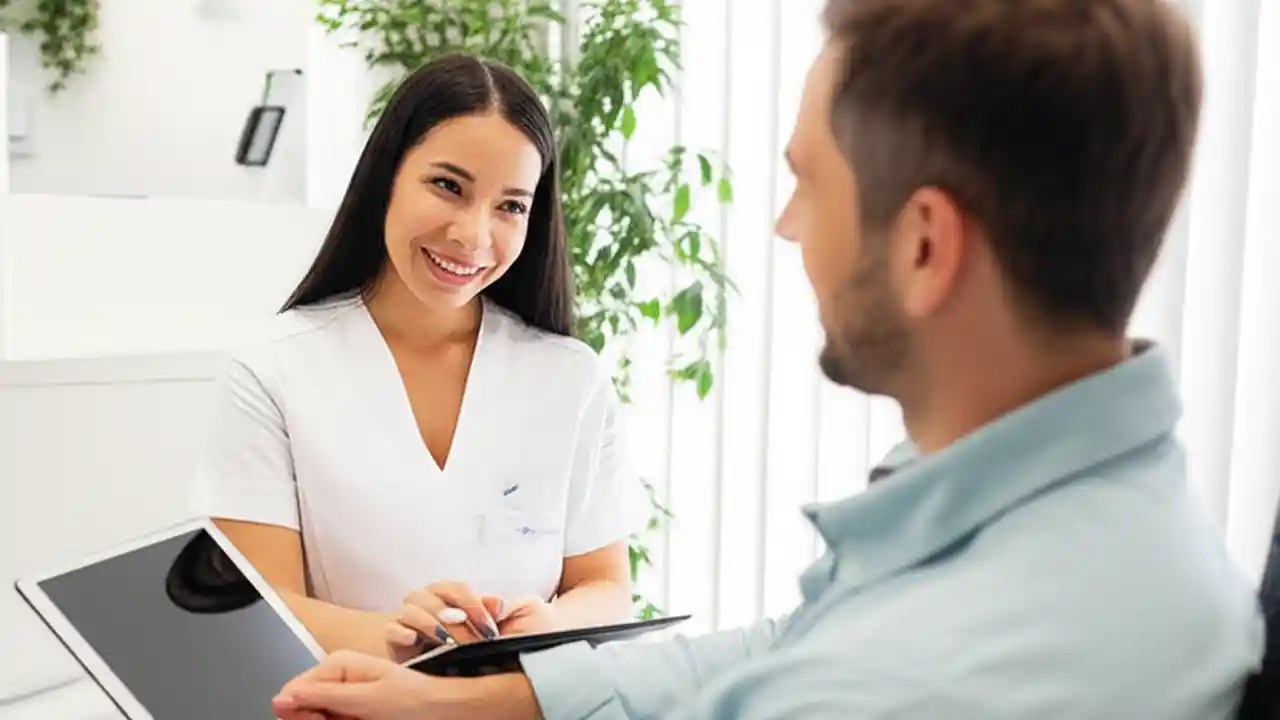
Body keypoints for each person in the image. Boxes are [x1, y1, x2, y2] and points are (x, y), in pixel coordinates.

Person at [271, 0, 1265, 717]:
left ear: (923, 246)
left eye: (807, 184)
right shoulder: (1077, 508)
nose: (787, 228)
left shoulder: (908, 685)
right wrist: (467, 705)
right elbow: (789, 641)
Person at [191, 54, 642, 661]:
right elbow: (258, 603)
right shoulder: (273, 372)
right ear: (387, 178)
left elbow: (606, 586)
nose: (473, 236)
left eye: (510, 206)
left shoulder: (570, 376)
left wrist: (548, 623)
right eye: (448, 187)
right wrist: (400, 635)